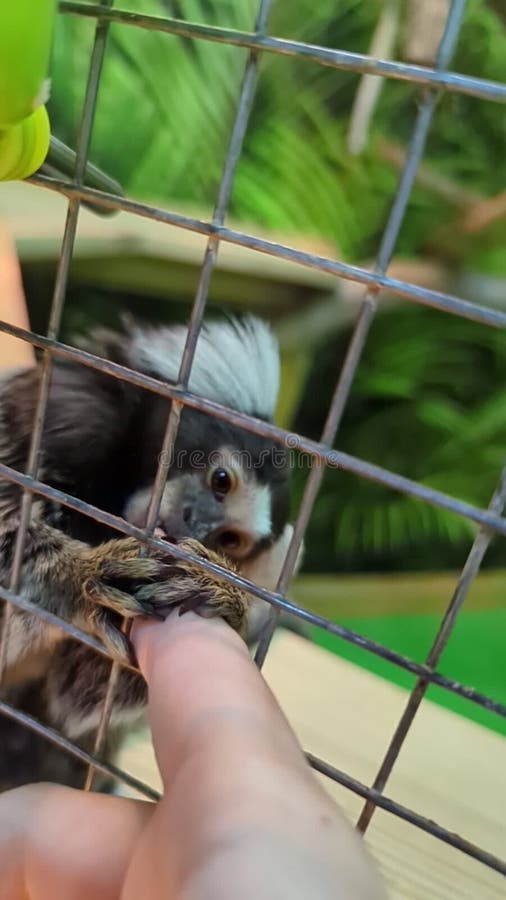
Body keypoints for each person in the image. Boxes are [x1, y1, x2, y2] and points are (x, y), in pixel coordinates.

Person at [0, 231, 386, 900]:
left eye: (229, 540)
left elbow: (77, 698)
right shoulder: (67, 410)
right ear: (173, 406)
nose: (200, 530)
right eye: (218, 483)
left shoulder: (154, 553)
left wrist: (226, 618)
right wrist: (72, 580)